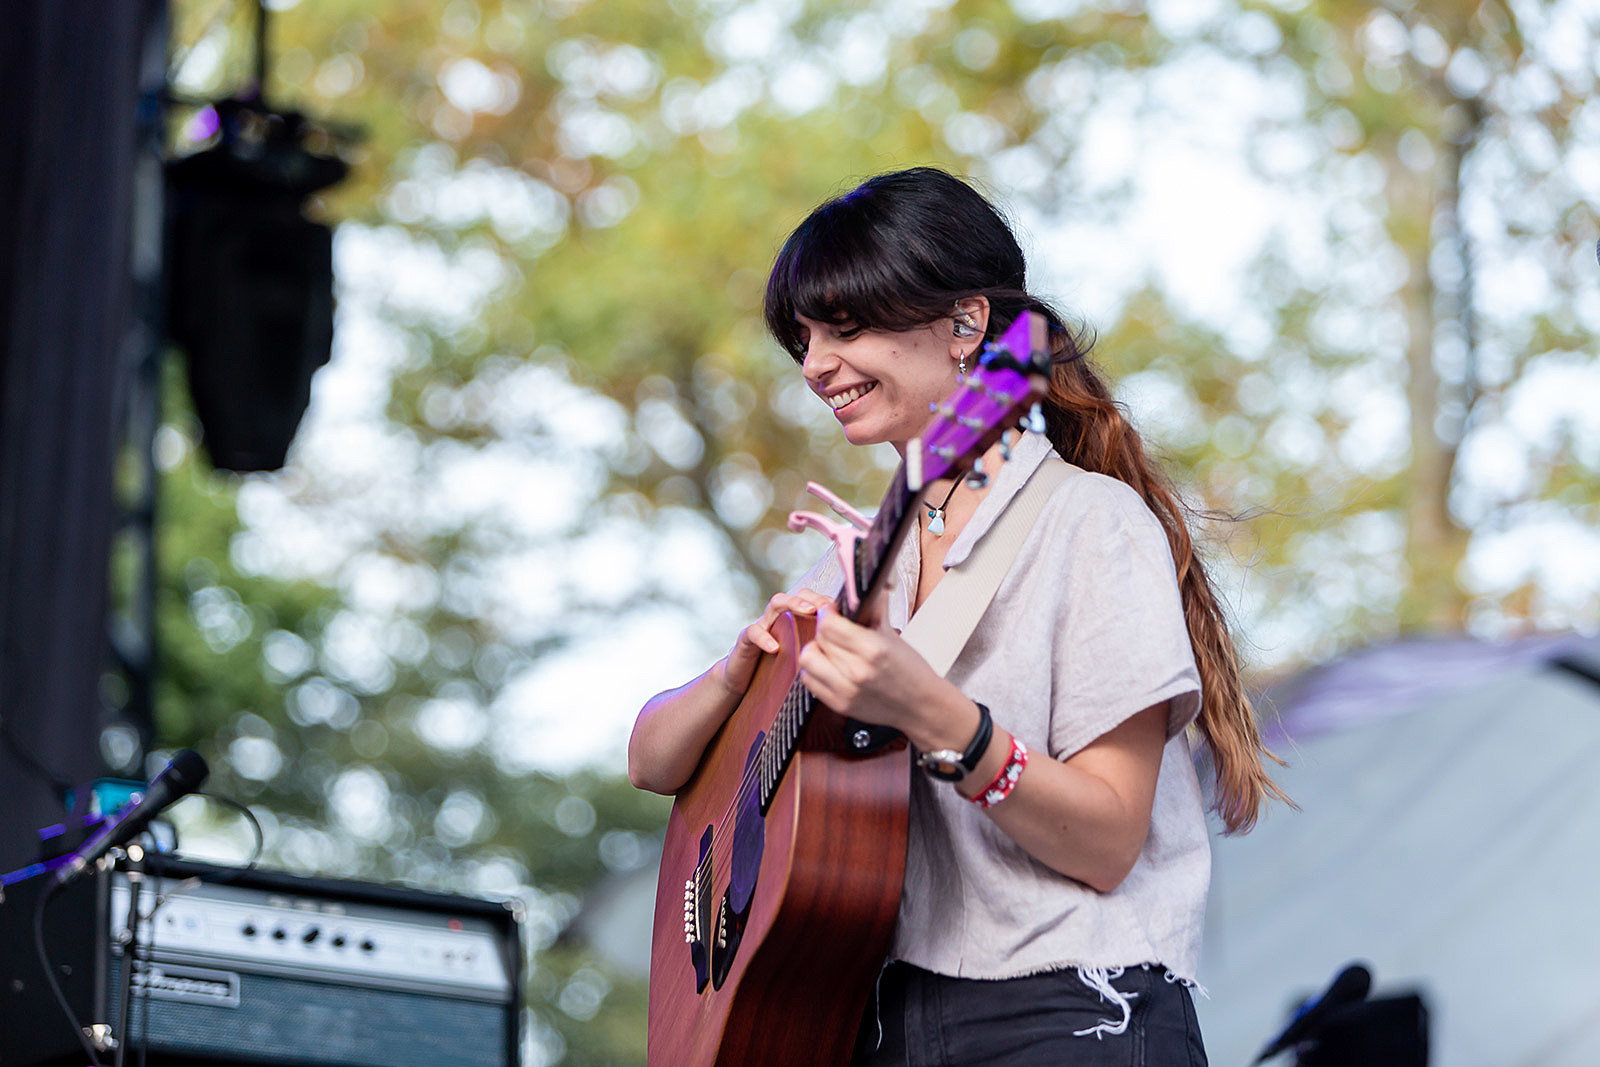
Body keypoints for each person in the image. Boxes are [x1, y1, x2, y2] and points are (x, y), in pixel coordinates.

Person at [628, 166, 1288, 1066]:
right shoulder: (855, 566)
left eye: (847, 326)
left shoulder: (1088, 523)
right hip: (883, 1023)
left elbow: (1106, 838)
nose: (816, 363)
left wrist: (932, 712)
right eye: (806, 336)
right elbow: (653, 759)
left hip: (1075, 1013)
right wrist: (736, 676)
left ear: (967, 325)